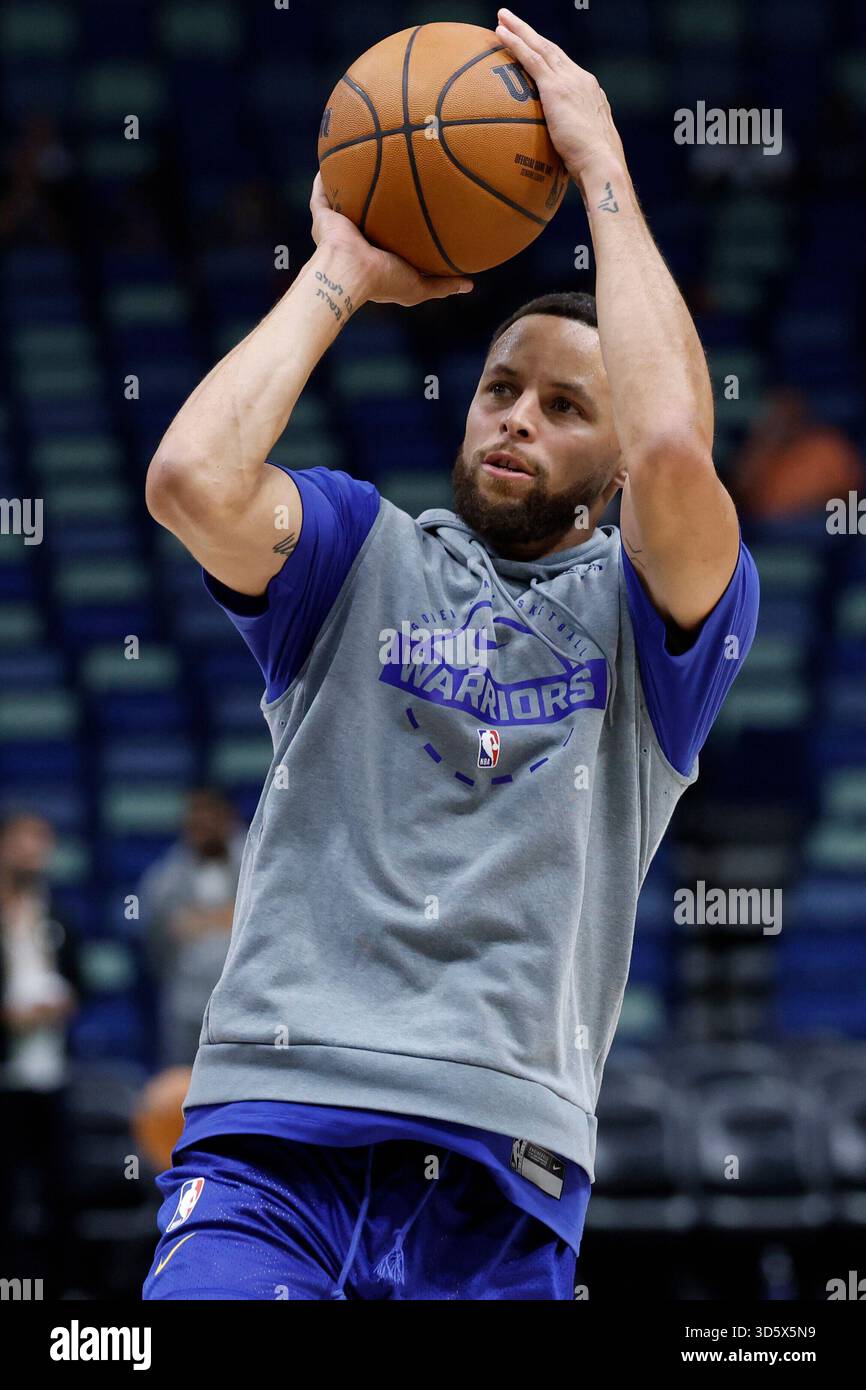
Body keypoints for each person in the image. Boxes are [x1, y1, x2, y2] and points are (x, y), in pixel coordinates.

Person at [141, 12, 759, 1300]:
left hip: (501, 1163)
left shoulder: (654, 632)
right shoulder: (355, 553)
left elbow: (672, 456)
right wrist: (339, 271)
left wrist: (601, 174)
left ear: (603, 463)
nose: (515, 418)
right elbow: (194, 478)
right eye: (498, 388)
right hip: (272, 1131)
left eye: (562, 405)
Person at [0, 810, 80, 1297]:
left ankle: (62, 1291)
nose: (35, 854)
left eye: (42, 844)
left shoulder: (57, 914)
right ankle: (11, 1289)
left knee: (59, 1188)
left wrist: (65, 1000)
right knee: (6, 1193)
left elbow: (80, 979)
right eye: (25, 843)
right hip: (5, 1077)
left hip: (52, 1072)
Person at [139, 788, 245, 1068]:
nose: (203, 831)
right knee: (182, 1083)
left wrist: (205, 921)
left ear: (228, 821)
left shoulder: (258, 864)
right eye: (195, 826)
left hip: (244, 1002)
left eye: (211, 823)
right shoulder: (164, 879)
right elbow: (154, 938)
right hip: (185, 1005)